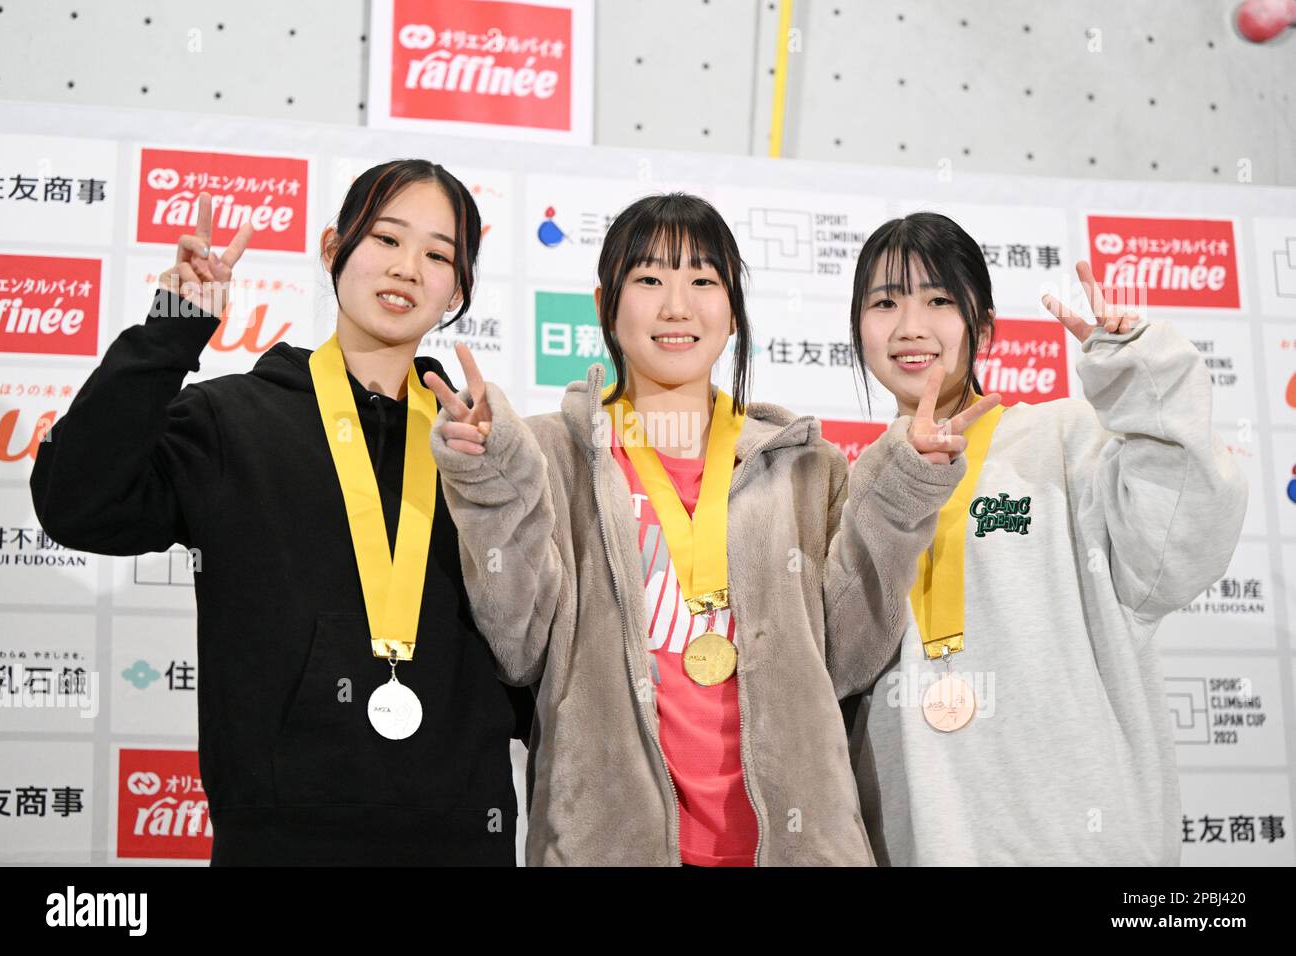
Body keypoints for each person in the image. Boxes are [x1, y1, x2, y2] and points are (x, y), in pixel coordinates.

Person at [423, 193, 994, 865]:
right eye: (649, 279)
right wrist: (492, 482)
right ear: (607, 302)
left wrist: (904, 491)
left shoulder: (805, 467)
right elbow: (518, 647)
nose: (677, 305)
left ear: (732, 310)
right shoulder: (551, 455)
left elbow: (848, 660)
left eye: (702, 280)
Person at [29, 160, 531, 865]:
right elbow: (77, 504)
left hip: (461, 841)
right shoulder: (231, 420)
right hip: (281, 841)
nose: (408, 268)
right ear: (334, 248)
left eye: (439, 254)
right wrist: (171, 332)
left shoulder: (481, 450)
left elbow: (532, 649)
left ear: (458, 288)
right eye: (386, 239)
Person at [840, 211, 1248, 865]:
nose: (910, 326)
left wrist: (1146, 382)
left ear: (985, 328)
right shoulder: (853, 488)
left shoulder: (1068, 437)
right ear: (857, 331)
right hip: (917, 843)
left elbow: (1183, 540)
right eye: (885, 302)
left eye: (939, 300)